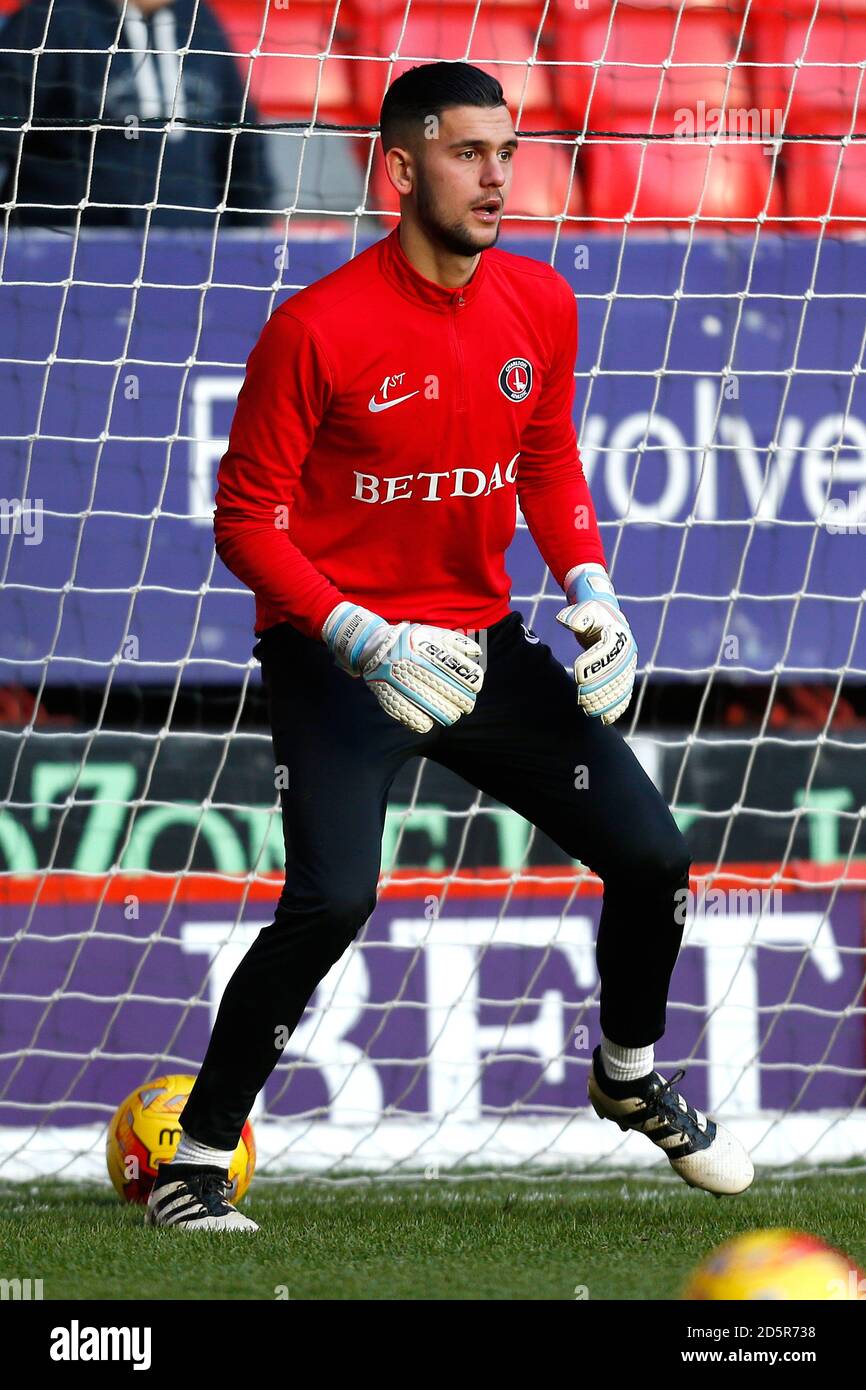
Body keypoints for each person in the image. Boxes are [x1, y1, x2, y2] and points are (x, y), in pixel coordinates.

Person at [146, 61, 753, 1232]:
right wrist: (350, 629)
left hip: (478, 645)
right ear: (400, 163)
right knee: (331, 900)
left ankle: (624, 1072)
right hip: (342, 654)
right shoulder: (315, 328)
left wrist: (590, 584)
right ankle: (196, 1160)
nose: (493, 178)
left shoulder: (539, 303)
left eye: (506, 153)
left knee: (652, 856)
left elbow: (543, 460)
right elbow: (246, 521)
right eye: (467, 154)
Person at [0, 0, 272, 230]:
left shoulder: (200, 21)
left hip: (193, 251)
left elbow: (242, 144)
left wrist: (250, 241)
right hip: (65, 244)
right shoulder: (50, 19)